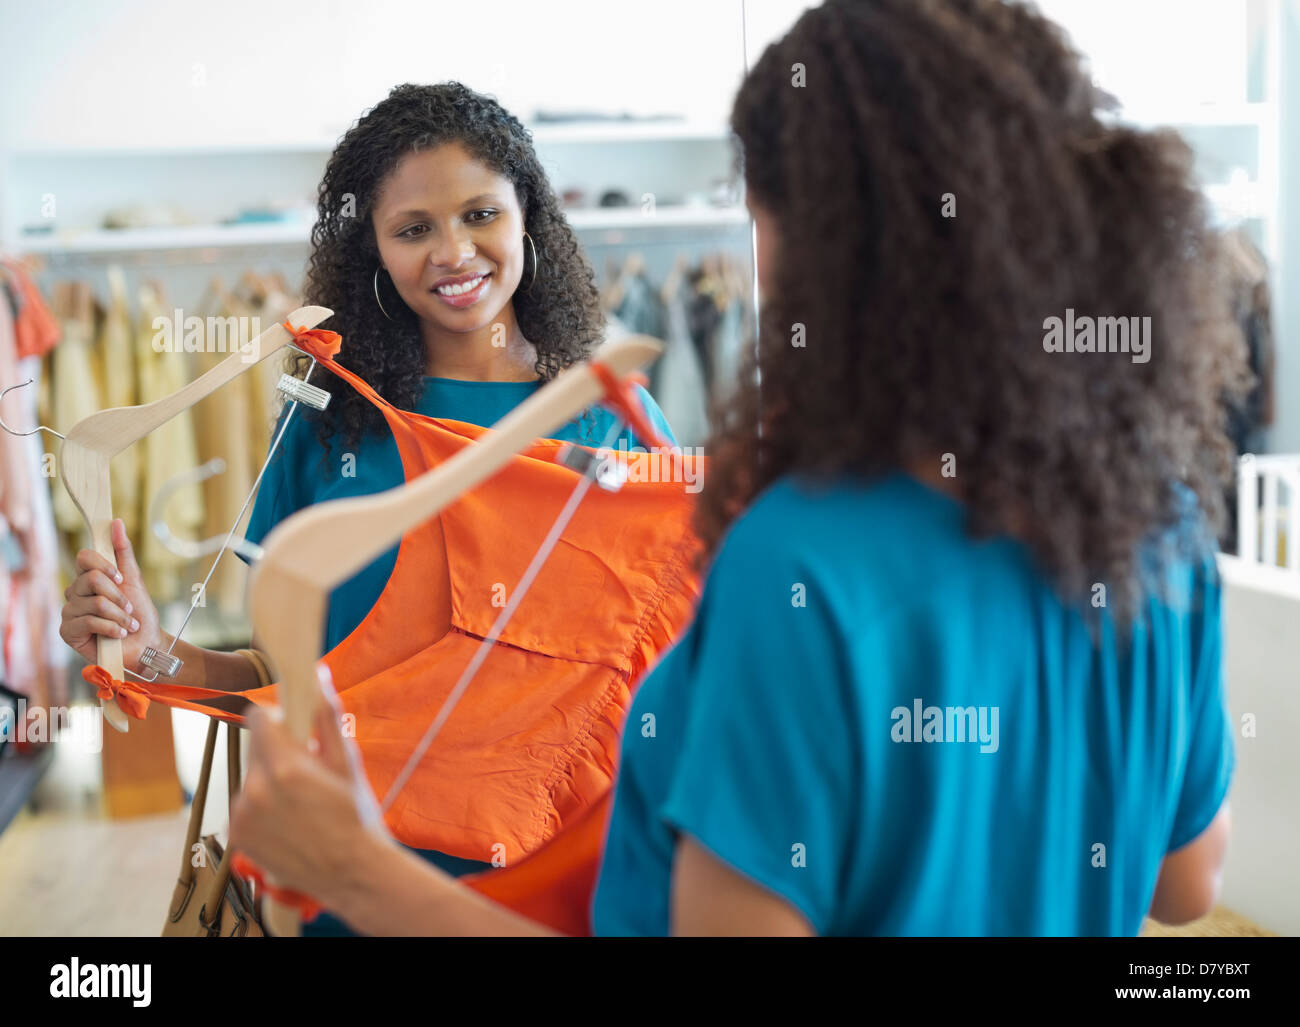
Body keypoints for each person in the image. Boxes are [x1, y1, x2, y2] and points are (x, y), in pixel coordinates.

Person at [230, 0, 1246, 936]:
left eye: (757, 209)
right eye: (413, 227)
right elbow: (1184, 880)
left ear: (825, 242)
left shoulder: (796, 562)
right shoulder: (1154, 524)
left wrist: (357, 875)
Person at [58, 82, 675, 934]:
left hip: (558, 893)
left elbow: (671, 691)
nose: (454, 252)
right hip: (343, 885)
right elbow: (281, 684)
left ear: (528, 216)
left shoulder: (615, 426)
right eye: (414, 229)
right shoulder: (322, 424)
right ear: (374, 250)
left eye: (480, 214)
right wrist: (150, 650)